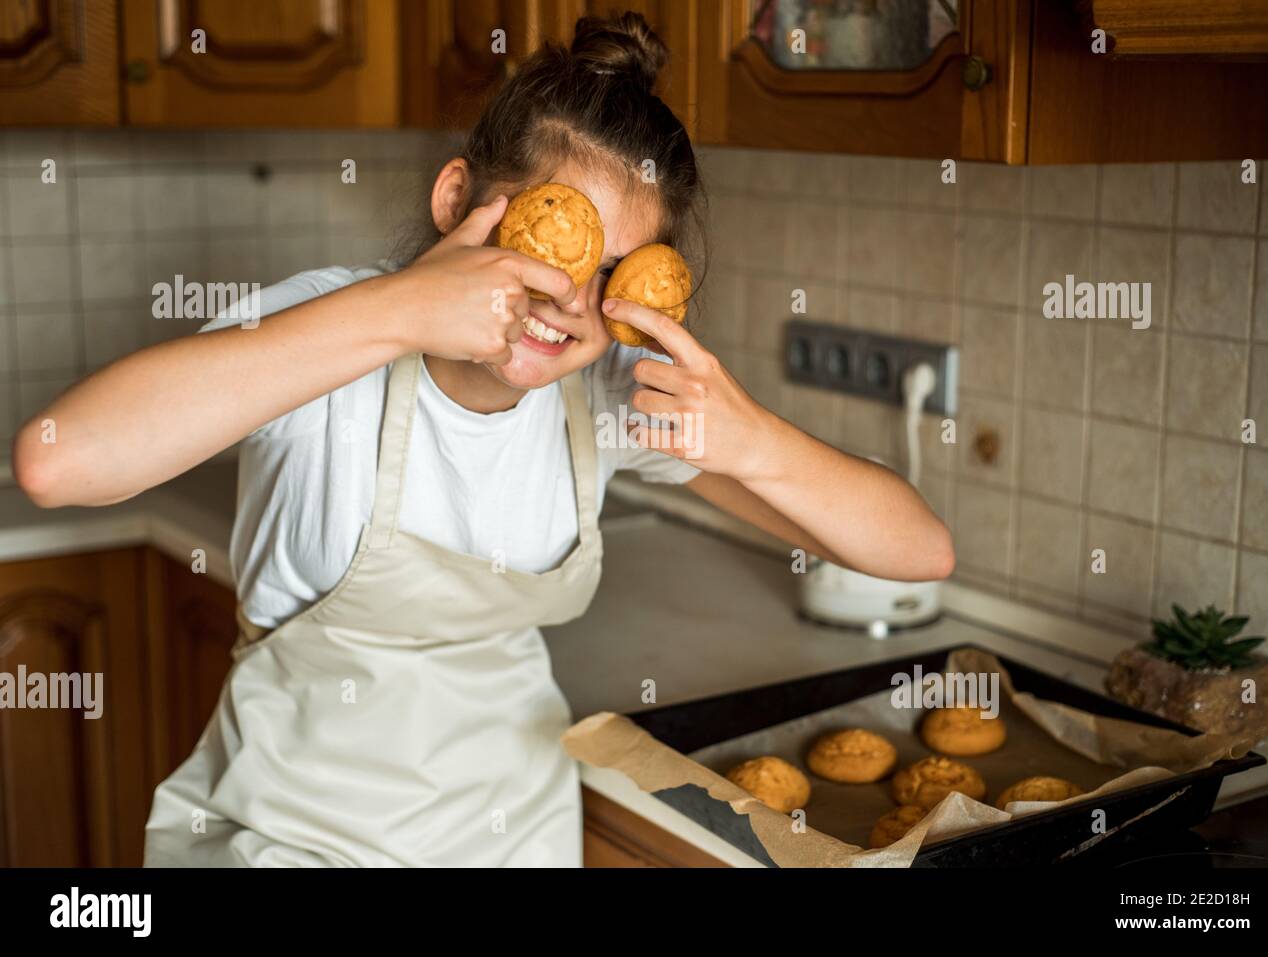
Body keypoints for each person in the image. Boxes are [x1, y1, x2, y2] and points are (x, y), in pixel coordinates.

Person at [11, 12, 953, 867]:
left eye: (614, 272)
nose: (570, 303)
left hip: (514, 842)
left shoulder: (604, 391)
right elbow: (59, 460)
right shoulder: (327, 332)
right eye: (554, 247)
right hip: (287, 844)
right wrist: (397, 307)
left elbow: (915, 550)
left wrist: (748, 437)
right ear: (456, 194)